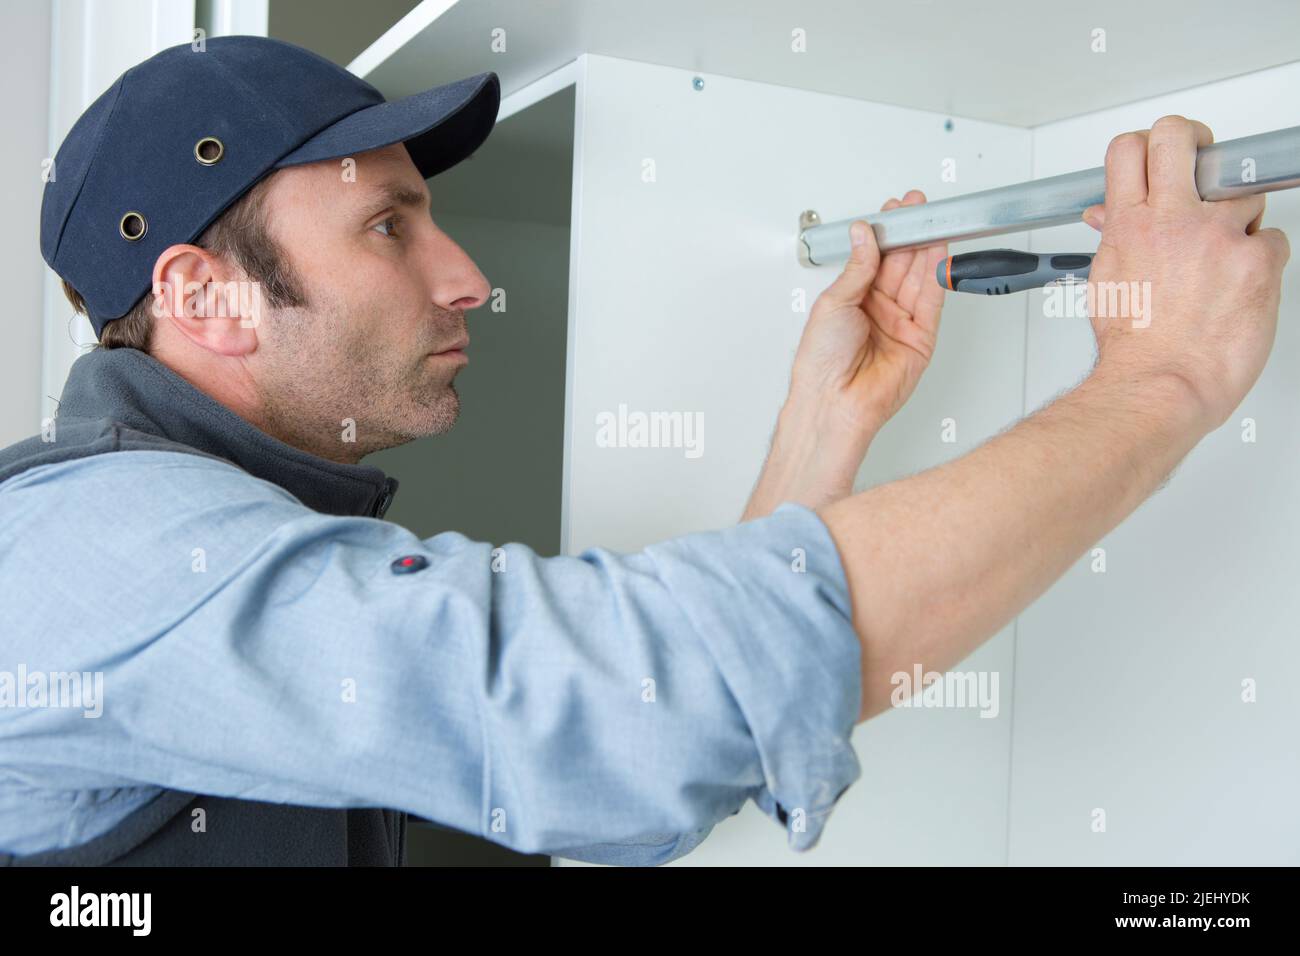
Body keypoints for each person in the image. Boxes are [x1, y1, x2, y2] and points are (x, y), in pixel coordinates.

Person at [0, 36, 1288, 866]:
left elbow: (608, 754)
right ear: (204, 295)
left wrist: (822, 424)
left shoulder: (224, 528)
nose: (465, 276)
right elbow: (625, 713)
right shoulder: (87, 557)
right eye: (390, 229)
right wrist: (1163, 377)